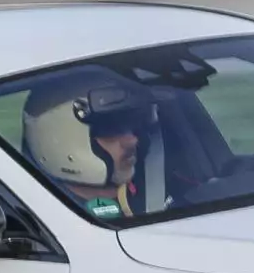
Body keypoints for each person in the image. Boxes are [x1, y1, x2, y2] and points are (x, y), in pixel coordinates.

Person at [24, 73, 165, 219]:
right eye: (110, 129)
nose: (132, 140)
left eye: (132, 124)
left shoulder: (163, 190)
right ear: (65, 137)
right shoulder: (46, 219)